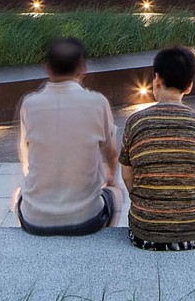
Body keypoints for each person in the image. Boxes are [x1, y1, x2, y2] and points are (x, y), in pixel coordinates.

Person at [16, 38, 124, 236]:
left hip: (34, 222)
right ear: (83, 68)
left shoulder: (29, 104)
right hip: (86, 220)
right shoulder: (97, 102)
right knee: (116, 193)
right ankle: (101, 242)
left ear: (48, 69)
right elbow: (112, 154)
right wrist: (110, 179)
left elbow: (26, 157)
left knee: (19, 194)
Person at [119, 46, 195, 251]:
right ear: (189, 86)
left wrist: (144, 200)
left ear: (156, 80)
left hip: (144, 234)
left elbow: (127, 173)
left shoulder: (135, 122)